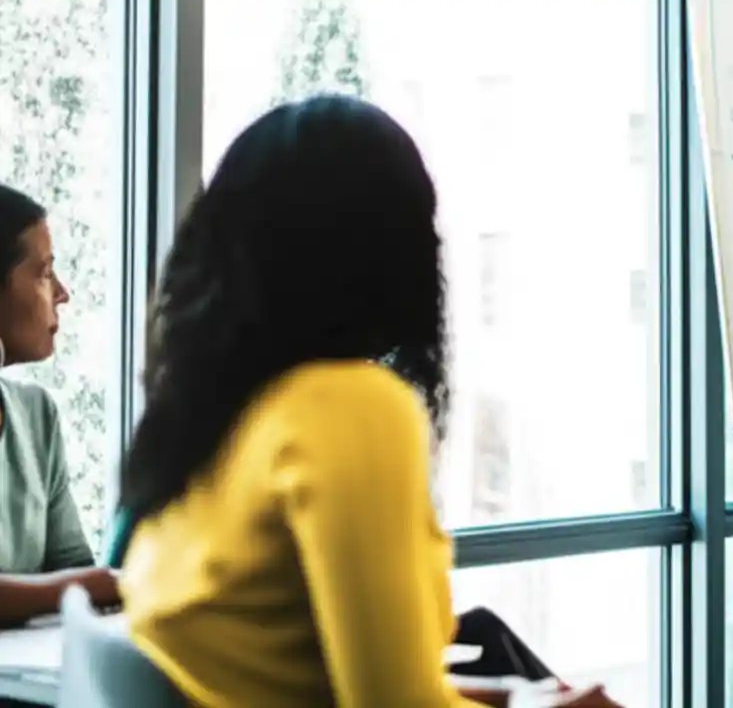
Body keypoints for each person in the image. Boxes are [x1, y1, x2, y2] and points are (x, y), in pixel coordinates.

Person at [117, 96, 620, 708]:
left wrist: (518, 698)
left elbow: (313, 681)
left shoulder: (214, 426)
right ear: (395, 249)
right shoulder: (348, 407)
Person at [0, 184, 117, 626]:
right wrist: (93, 584)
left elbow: (74, 569)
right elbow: (83, 585)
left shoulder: (37, 416)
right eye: (44, 272)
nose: (63, 293)